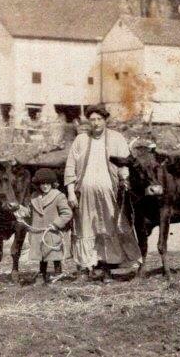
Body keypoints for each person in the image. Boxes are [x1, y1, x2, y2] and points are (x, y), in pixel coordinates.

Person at [64, 105, 141, 282]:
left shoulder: (117, 138)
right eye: (92, 120)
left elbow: (125, 164)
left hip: (109, 194)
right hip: (85, 194)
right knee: (84, 228)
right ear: (88, 122)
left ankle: (107, 268)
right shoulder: (81, 140)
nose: (96, 123)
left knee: (108, 227)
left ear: (105, 120)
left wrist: (124, 179)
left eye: (99, 119)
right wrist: (70, 192)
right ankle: (84, 269)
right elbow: (70, 168)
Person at [25, 167, 72, 284]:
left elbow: (67, 213)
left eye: (48, 183)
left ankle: (58, 273)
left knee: (55, 253)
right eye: (42, 184)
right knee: (42, 255)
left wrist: (56, 224)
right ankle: (42, 274)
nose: (45, 186)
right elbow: (29, 213)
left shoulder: (58, 196)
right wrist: (20, 211)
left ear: (53, 184)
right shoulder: (34, 197)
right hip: (38, 233)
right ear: (38, 185)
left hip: (53, 232)